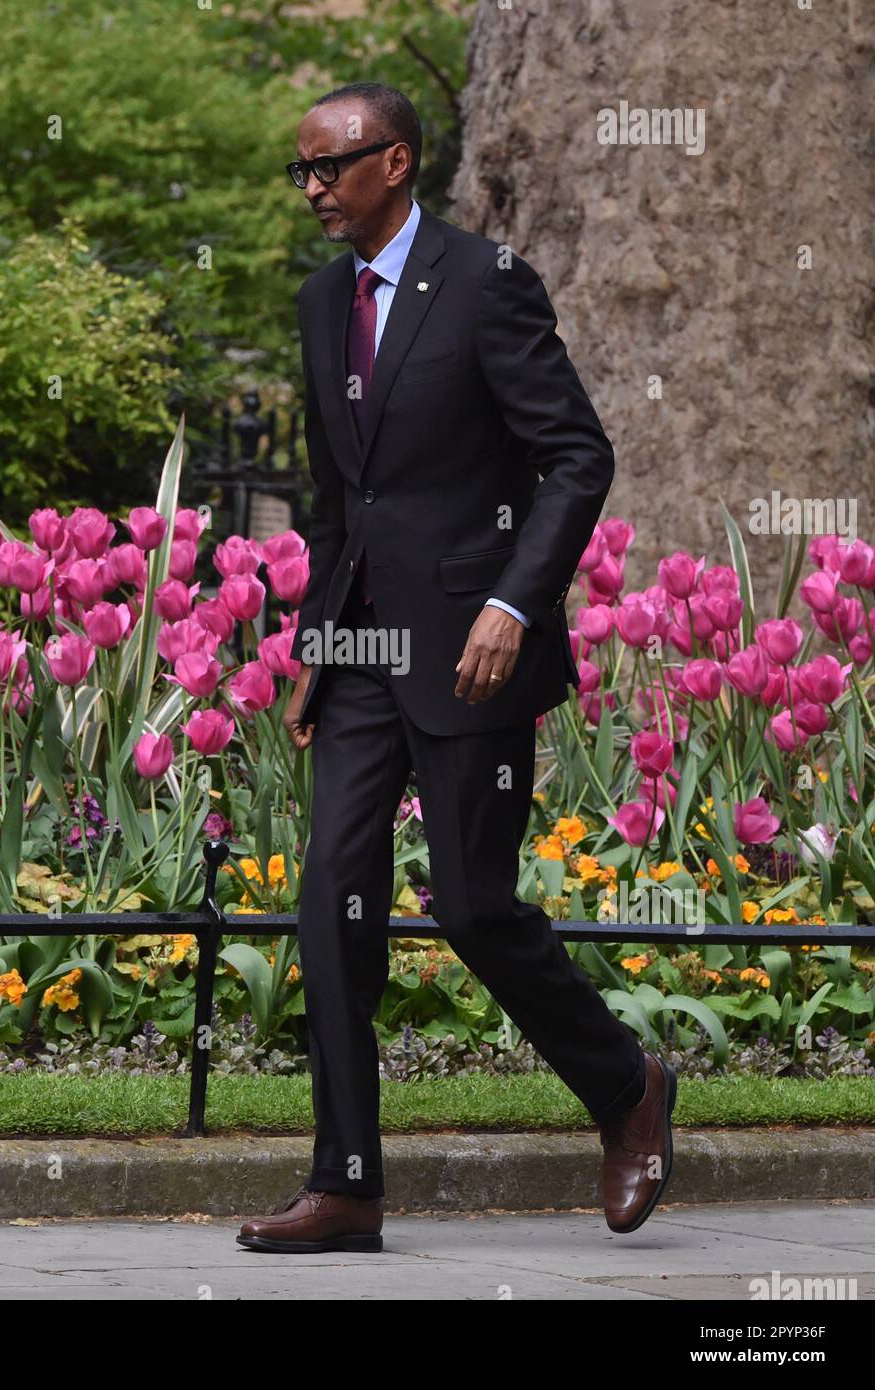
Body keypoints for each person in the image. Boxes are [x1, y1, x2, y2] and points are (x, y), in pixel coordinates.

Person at [237, 82, 675, 1255]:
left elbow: (575, 455)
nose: (314, 189)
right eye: (304, 171)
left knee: (476, 908)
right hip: (365, 651)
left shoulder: (486, 283)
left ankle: (626, 1085)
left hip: (475, 653)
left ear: (398, 162)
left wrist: (511, 603)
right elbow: (343, 497)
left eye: (331, 166)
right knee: (330, 892)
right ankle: (345, 1182)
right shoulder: (321, 301)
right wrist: (316, 647)